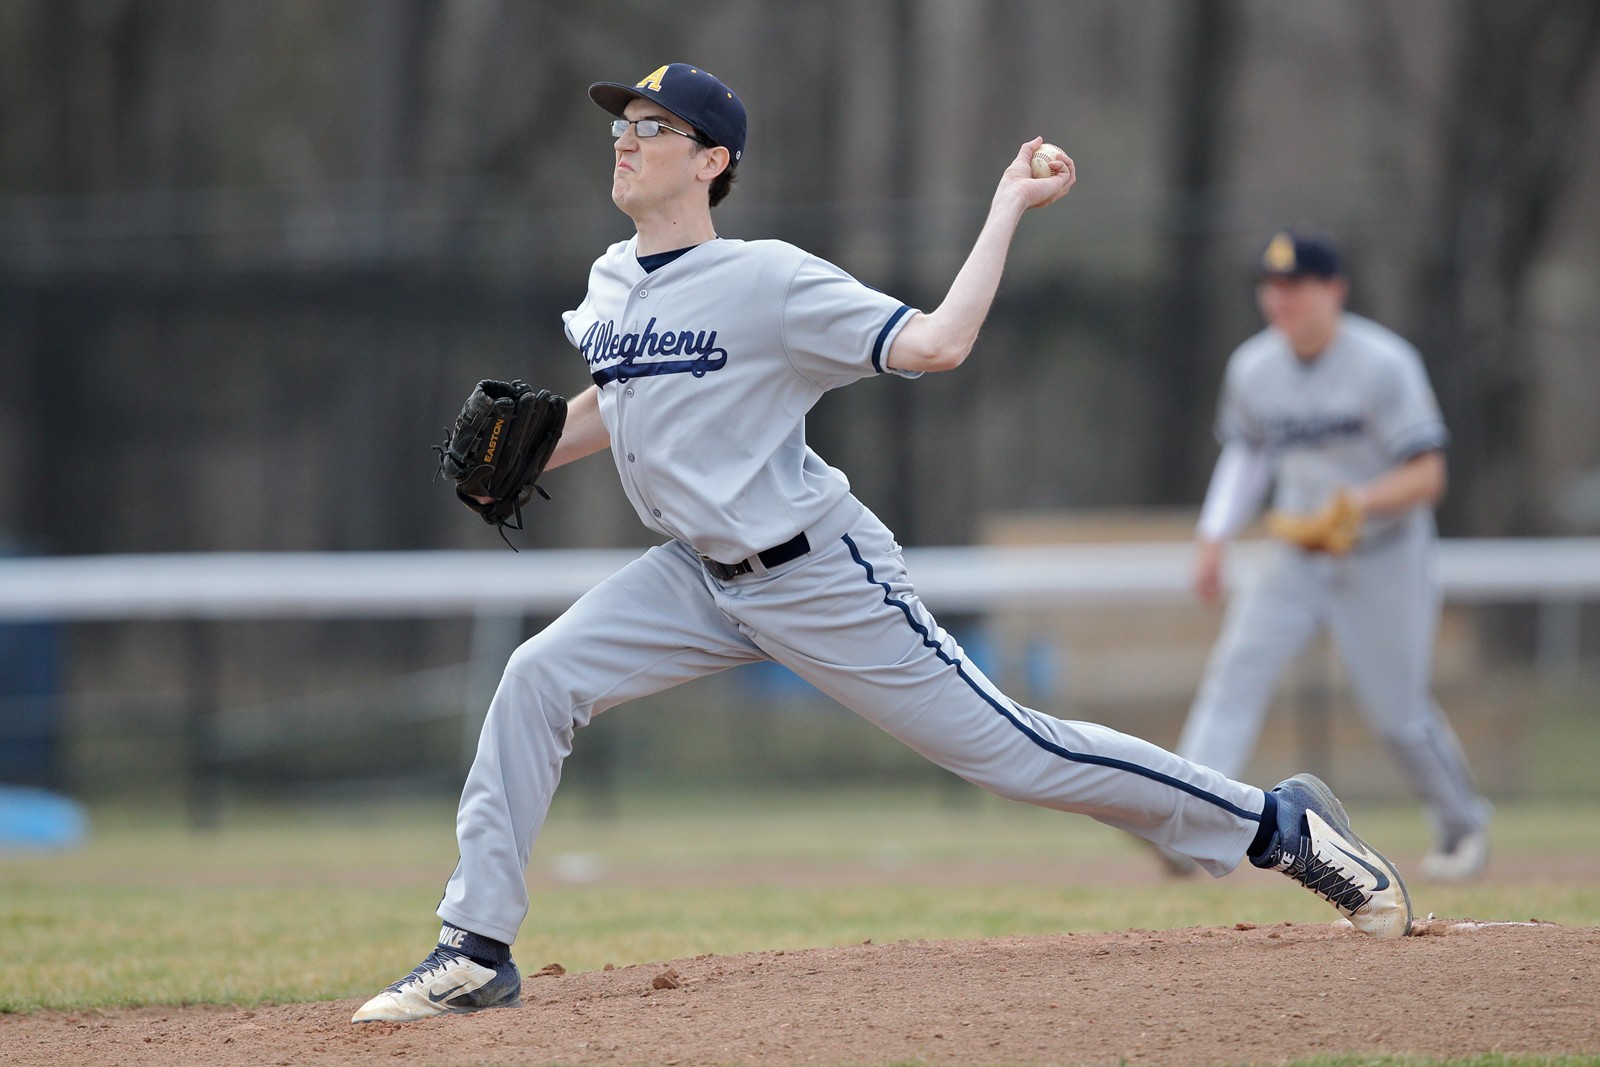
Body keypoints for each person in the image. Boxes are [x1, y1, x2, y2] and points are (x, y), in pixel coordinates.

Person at [352, 66, 1413, 1024]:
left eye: (653, 125)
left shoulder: (770, 279)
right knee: (536, 677)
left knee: (1015, 750)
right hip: (692, 576)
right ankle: (474, 947)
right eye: (620, 123)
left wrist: (1005, 206)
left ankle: (1280, 824)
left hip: (814, 572)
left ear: (712, 161)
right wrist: (533, 456)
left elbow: (938, 342)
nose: (624, 139)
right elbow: (613, 406)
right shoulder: (613, 283)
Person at [1159, 229, 1492, 883]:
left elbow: (1428, 474)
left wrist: (1356, 505)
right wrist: (1213, 536)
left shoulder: (1383, 362)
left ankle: (1463, 826)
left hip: (1384, 554)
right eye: (1272, 286)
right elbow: (1248, 454)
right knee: (1235, 675)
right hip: (1297, 553)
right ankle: (1187, 821)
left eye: (1297, 285)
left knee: (1398, 714)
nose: (1282, 299)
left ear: (1333, 289)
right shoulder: (1254, 367)